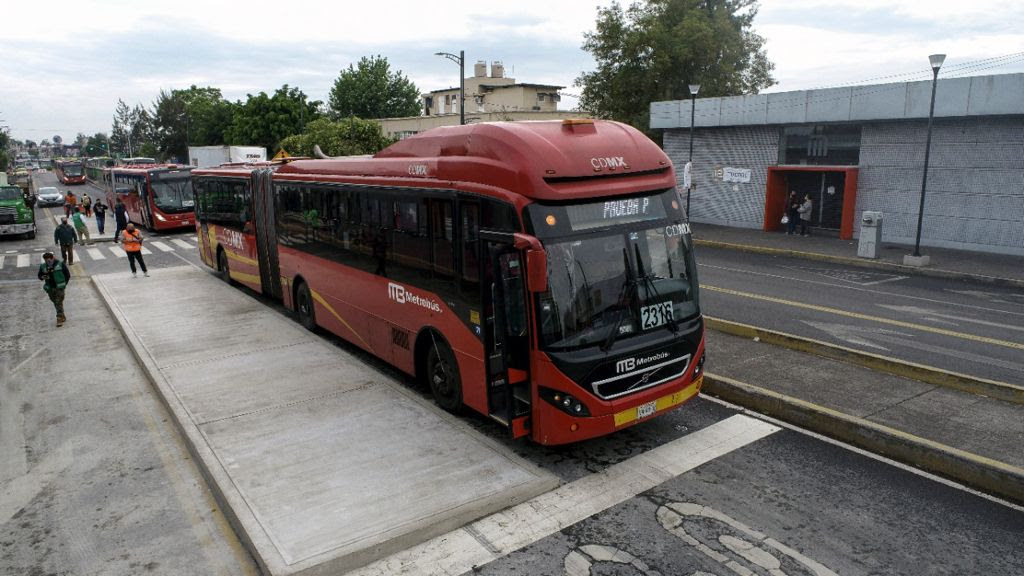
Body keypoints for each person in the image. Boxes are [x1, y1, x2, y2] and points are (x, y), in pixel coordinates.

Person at [38, 251, 71, 327]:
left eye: (49, 260)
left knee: (58, 301)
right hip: (50, 287)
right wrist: (44, 276)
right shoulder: (43, 266)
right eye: (46, 260)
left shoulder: (60, 264)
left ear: (52, 258)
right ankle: (62, 314)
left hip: (59, 287)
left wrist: (64, 283)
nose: (47, 262)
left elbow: (67, 275)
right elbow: (40, 276)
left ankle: (59, 318)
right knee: (55, 302)